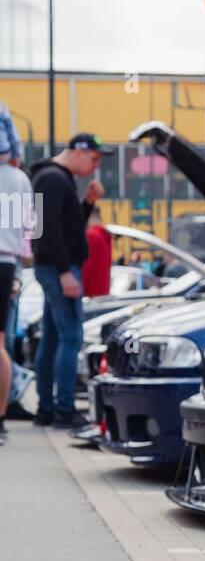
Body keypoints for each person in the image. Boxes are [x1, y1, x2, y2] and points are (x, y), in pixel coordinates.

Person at [30, 133, 104, 428]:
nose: (96, 166)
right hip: (58, 268)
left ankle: (47, 409)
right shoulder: (52, 178)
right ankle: (63, 410)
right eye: (94, 158)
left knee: (51, 339)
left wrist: (86, 203)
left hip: (54, 266)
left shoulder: (55, 178)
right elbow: (48, 229)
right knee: (71, 337)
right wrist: (64, 272)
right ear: (78, 151)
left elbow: (64, 227)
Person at [0, 119, 32, 443]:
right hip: (6, 263)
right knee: (1, 345)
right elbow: (30, 236)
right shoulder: (21, 179)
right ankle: (1, 418)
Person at [82, 204, 112, 296]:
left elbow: (86, 266)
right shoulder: (105, 236)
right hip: (102, 292)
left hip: (90, 294)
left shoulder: (90, 235)